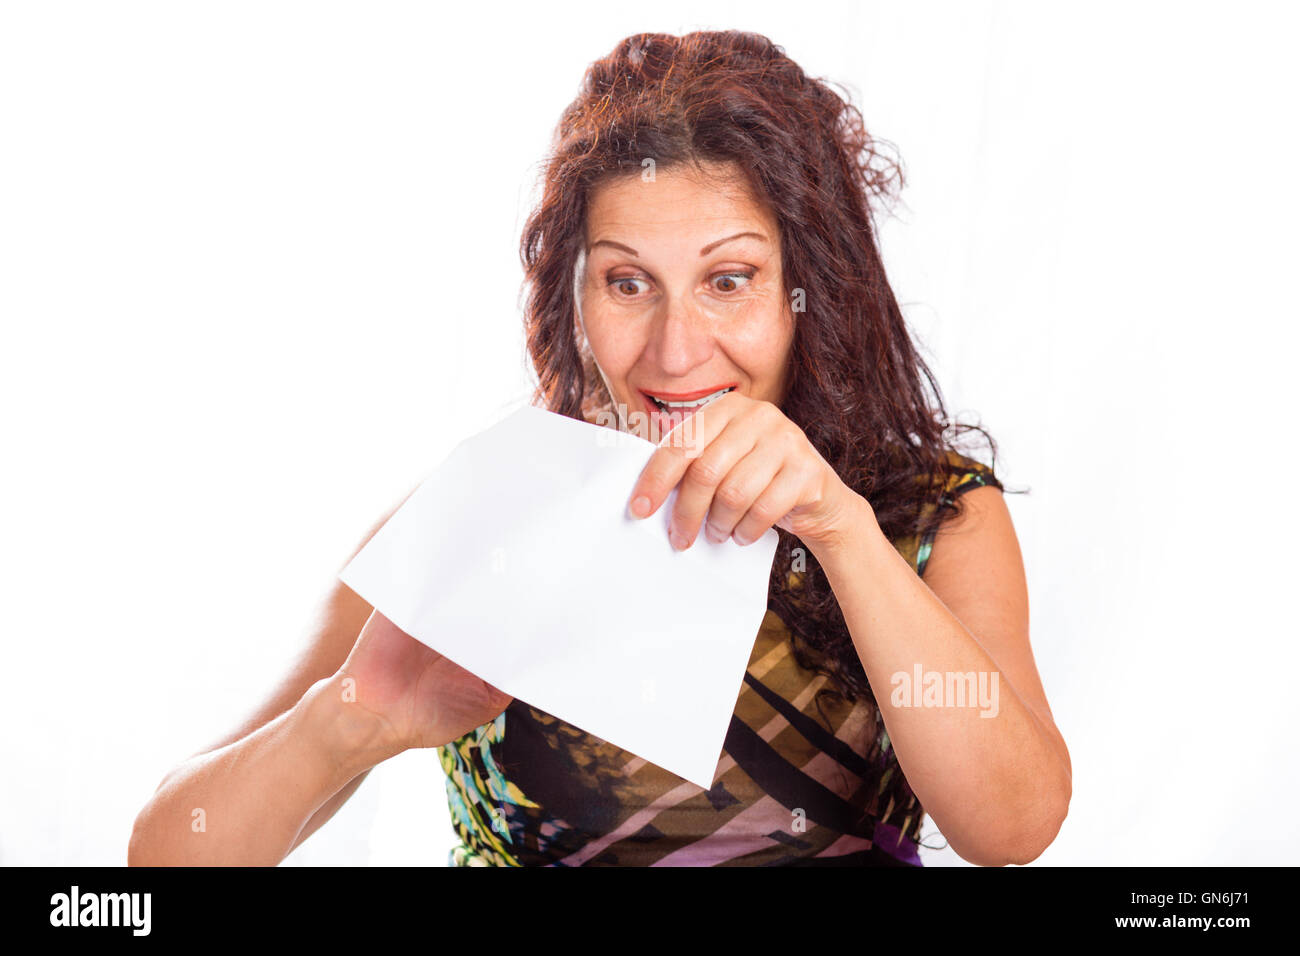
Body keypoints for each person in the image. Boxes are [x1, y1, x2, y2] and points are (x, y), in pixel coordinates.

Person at [129, 29, 1070, 868]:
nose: (675, 349)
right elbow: (166, 862)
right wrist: (350, 722)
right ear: (572, 296)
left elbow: (1015, 829)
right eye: (628, 284)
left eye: (729, 280)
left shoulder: (929, 516)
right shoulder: (483, 512)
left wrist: (841, 532)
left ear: (810, 288)